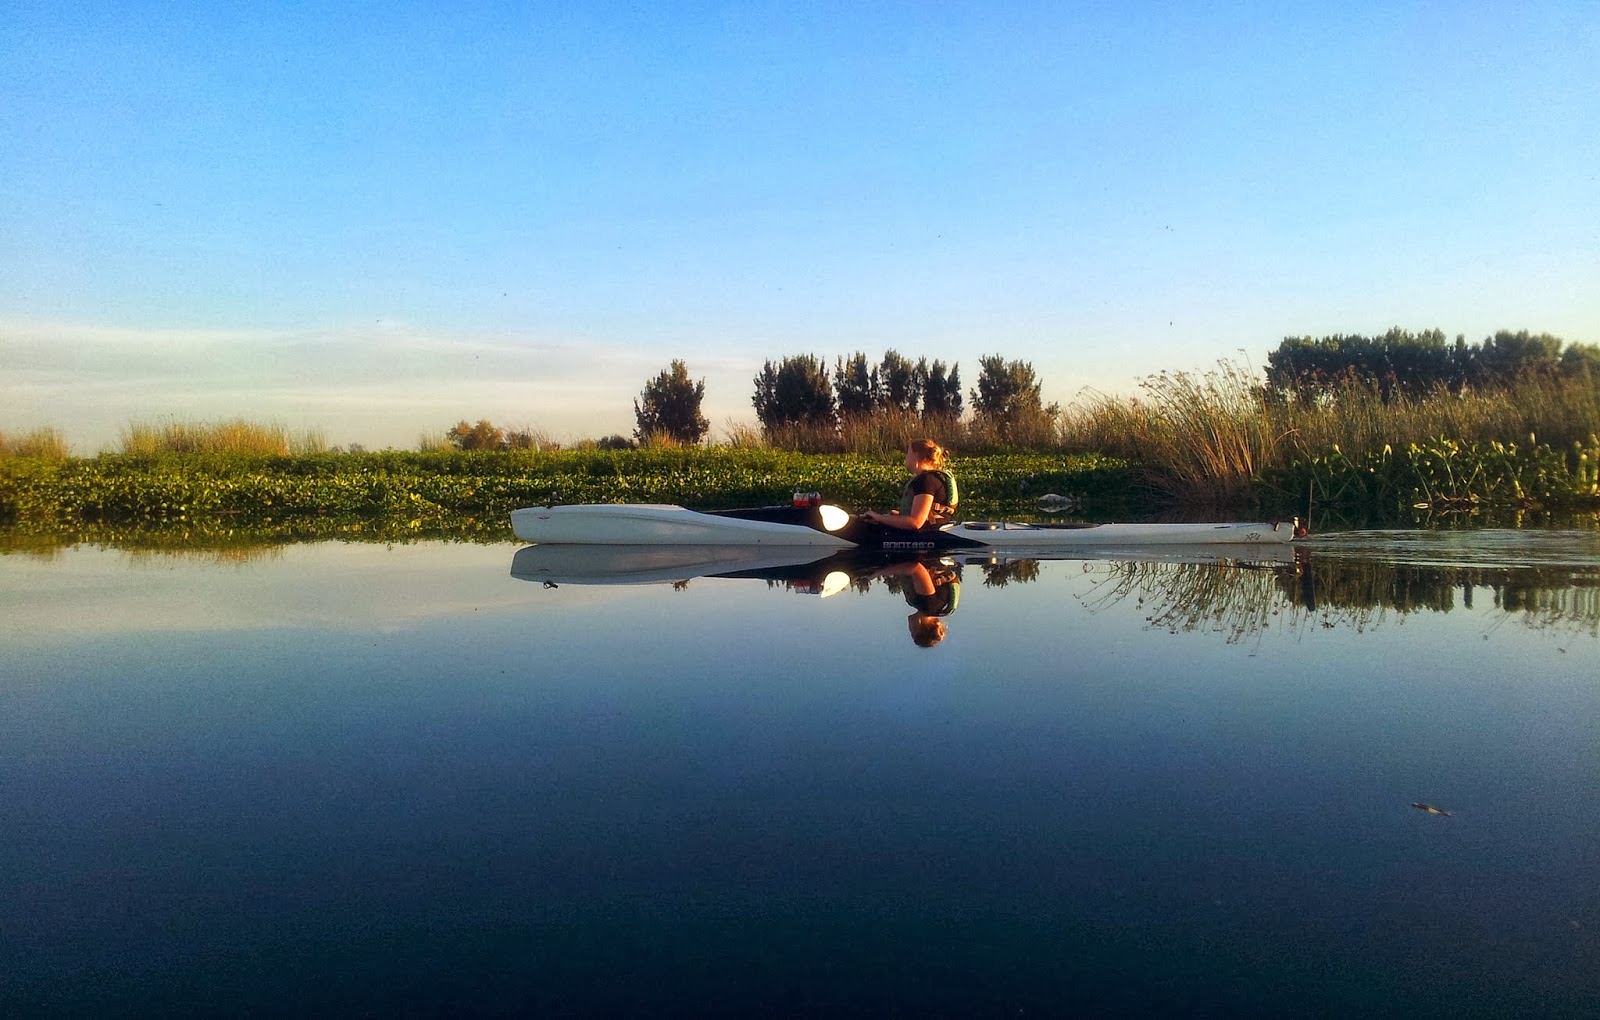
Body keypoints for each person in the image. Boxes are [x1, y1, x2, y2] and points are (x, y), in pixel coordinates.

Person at [859, 439, 959, 531]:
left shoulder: (925, 480)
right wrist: (895, 517)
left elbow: (916, 522)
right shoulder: (932, 478)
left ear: (915, 455)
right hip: (936, 529)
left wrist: (878, 517)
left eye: (908, 454)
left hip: (928, 534)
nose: (906, 457)